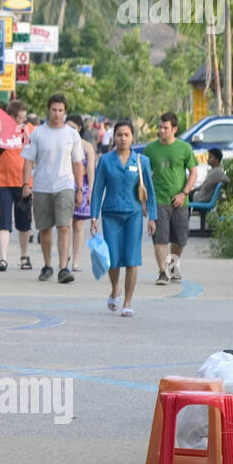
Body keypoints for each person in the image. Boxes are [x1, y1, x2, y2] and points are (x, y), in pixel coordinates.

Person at [90, 120, 157, 317]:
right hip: (110, 214)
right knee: (113, 259)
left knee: (132, 259)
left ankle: (127, 302)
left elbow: (150, 193)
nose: (123, 138)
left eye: (126, 135)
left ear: (133, 137)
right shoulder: (105, 161)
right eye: (119, 135)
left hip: (133, 215)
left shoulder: (141, 161)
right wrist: (93, 217)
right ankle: (114, 289)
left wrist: (152, 218)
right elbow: (97, 190)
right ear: (114, 137)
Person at [21, 94, 85, 283]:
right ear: (48, 110)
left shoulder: (72, 135)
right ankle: (48, 265)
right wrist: (26, 184)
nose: (57, 114)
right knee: (45, 229)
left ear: (65, 112)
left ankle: (63, 268)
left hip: (65, 186)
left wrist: (79, 189)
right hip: (42, 187)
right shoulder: (38, 133)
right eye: (54, 110)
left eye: (60, 110)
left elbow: (77, 163)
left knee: (64, 226)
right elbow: (28, 160)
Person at [145, 111, 199, 285]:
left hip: (180, 201)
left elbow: (193, 173)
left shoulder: (184, 148)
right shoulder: (150, 149)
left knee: (180, 238)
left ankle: (173, 267)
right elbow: (143, 177)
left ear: (174, 129)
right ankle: (162, 272)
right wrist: (144, 202)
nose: (161, 131)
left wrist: (184, 193)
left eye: (165, 128)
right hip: (158, 200)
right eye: (159, 127)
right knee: (159, 238)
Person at [0, 99, 33, 272]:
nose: (23, 121)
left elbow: (32, 155)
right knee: (3, 221)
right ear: (10, 117)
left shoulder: (26, 131)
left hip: (24, 183)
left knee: (24, 221)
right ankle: (3, 258)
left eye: (25, 117)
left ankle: (25, 257)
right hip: (1, 183)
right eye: (20, 118)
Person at [66, 114, 98, 273]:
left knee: (78, 225)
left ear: (79, 128)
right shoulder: (62, 143)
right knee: (63, 225)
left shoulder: (87, 146)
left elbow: (91, 169)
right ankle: (64, 258)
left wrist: (91, 191)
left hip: (82, 187)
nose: (69, 130)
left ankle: (75, 261)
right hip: (63, 186)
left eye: (72, 127)